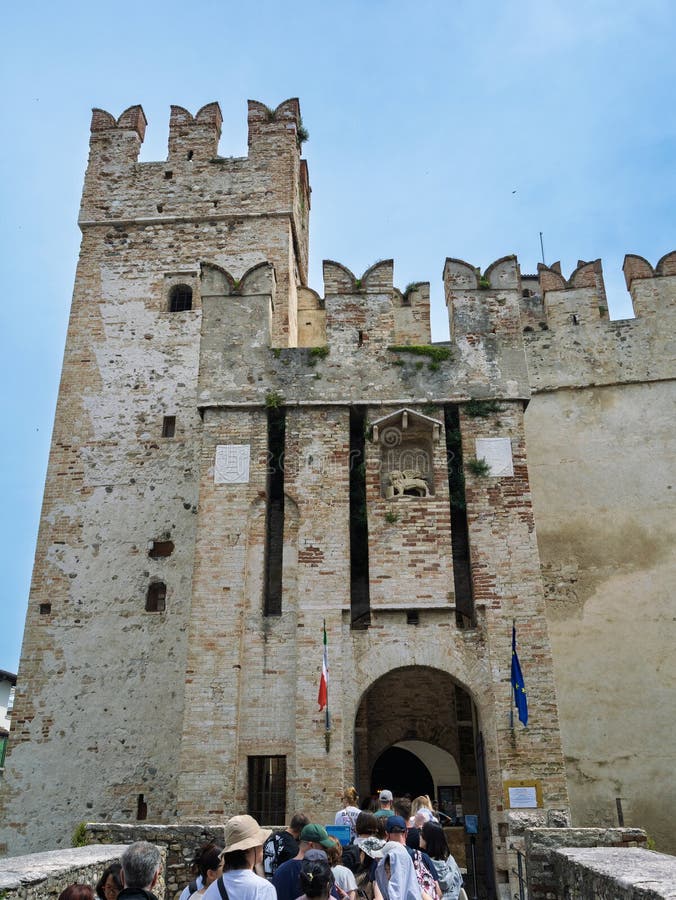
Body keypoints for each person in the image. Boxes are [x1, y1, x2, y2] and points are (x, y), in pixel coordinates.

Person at [202, 815, 275, 900]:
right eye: (261, 842)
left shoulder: (211, 891)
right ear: (249, 848)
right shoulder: (263, 889)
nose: (263, 846)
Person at [272, 824, 335, 900]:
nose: (325, 851)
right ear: (311, 845)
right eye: (323, 847)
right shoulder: (320, 870)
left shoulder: (280, 870)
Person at [418, 824, 462, 900]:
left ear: (428, 839)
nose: (419, 836)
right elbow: (460, 884)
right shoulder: (451, 861)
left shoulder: (423, 864)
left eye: (421, 834)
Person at [263, 812, 309, 879]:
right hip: (278, 883)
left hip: (265, 879)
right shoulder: (293, 848)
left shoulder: (271, 837)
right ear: (302, 830)